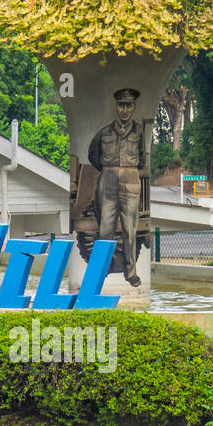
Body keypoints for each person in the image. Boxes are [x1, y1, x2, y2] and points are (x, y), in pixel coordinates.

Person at [87, 88, 145, 287]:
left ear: (134, 107)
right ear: (116, 106)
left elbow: (142, 158)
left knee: (130, 228)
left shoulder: (139, 132)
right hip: (108, 180)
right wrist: (108, 170)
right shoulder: (104, 132)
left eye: (129, 105)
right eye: (121, 105)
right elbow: (93, 156)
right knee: (106, 227)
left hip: (131, 180)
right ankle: (101, 270)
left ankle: (131, 273)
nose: (125, 110)